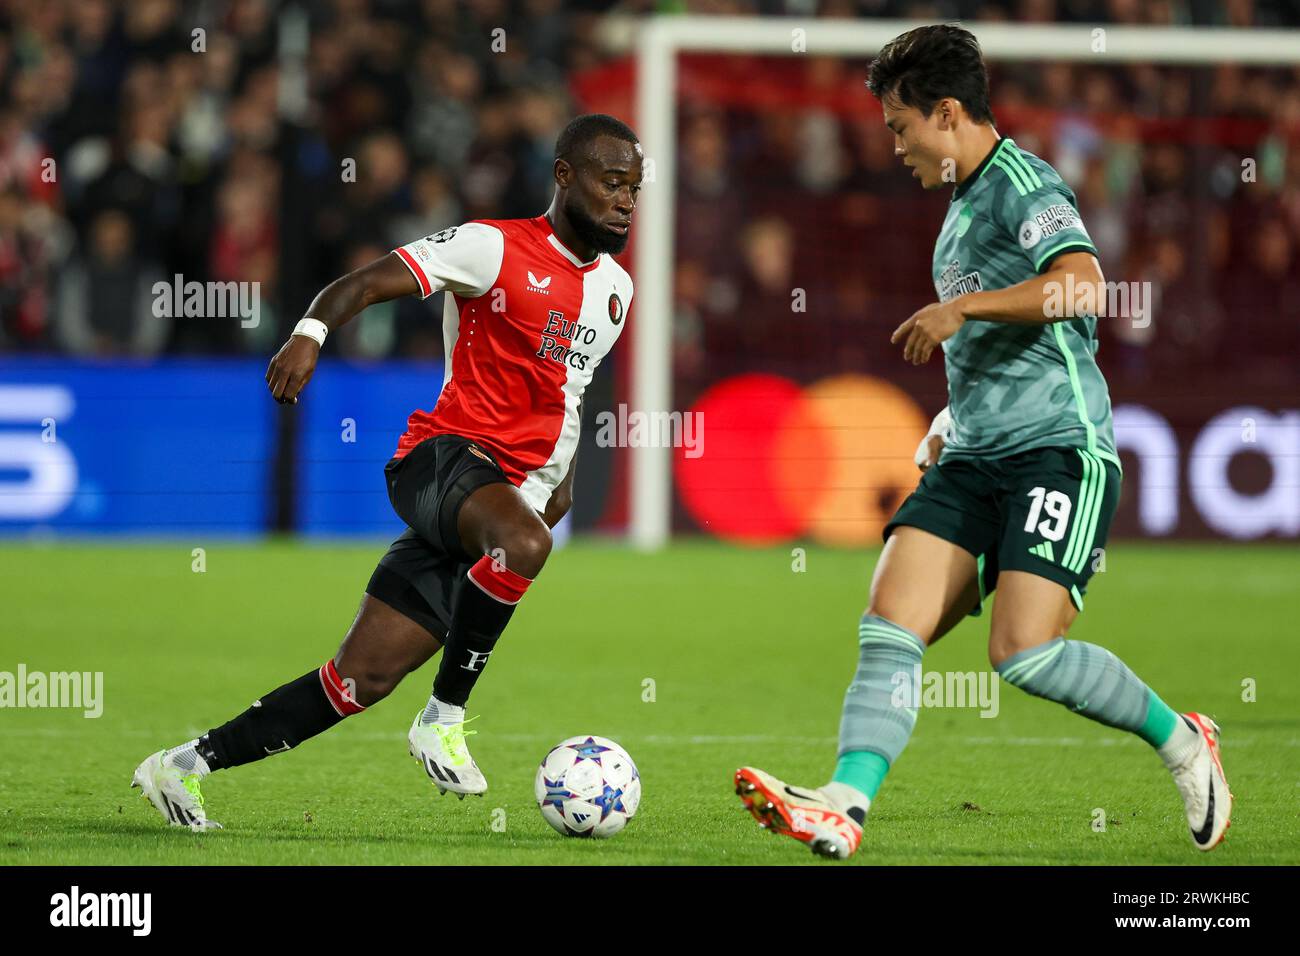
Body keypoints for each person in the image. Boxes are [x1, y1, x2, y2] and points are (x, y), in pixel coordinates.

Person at [734, 25, 1231, 859]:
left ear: (947, 113)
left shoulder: (1022, 182)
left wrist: (961, 308)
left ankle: (1184, 740)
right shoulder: (959, 211)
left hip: (1057, 450)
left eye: (901, 127)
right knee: (891, 624)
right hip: (973, 457)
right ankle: (844, 805)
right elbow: (995, 351)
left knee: (1022, 653)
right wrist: (950, 421)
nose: (895, 147)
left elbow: (1084, 287)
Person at [131, 114, 641, 829]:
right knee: (525, 545)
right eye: (612, 183)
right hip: (439, 461)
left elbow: (570, 392)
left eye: (634, 188)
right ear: (565, 175)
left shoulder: (615, 291)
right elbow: (365, 283)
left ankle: (179, 766)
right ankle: (444, 716)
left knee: (357, 680)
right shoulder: (491, 246)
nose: (626, 201)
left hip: (498, 498)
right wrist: (309, 334)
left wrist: (562, 483)